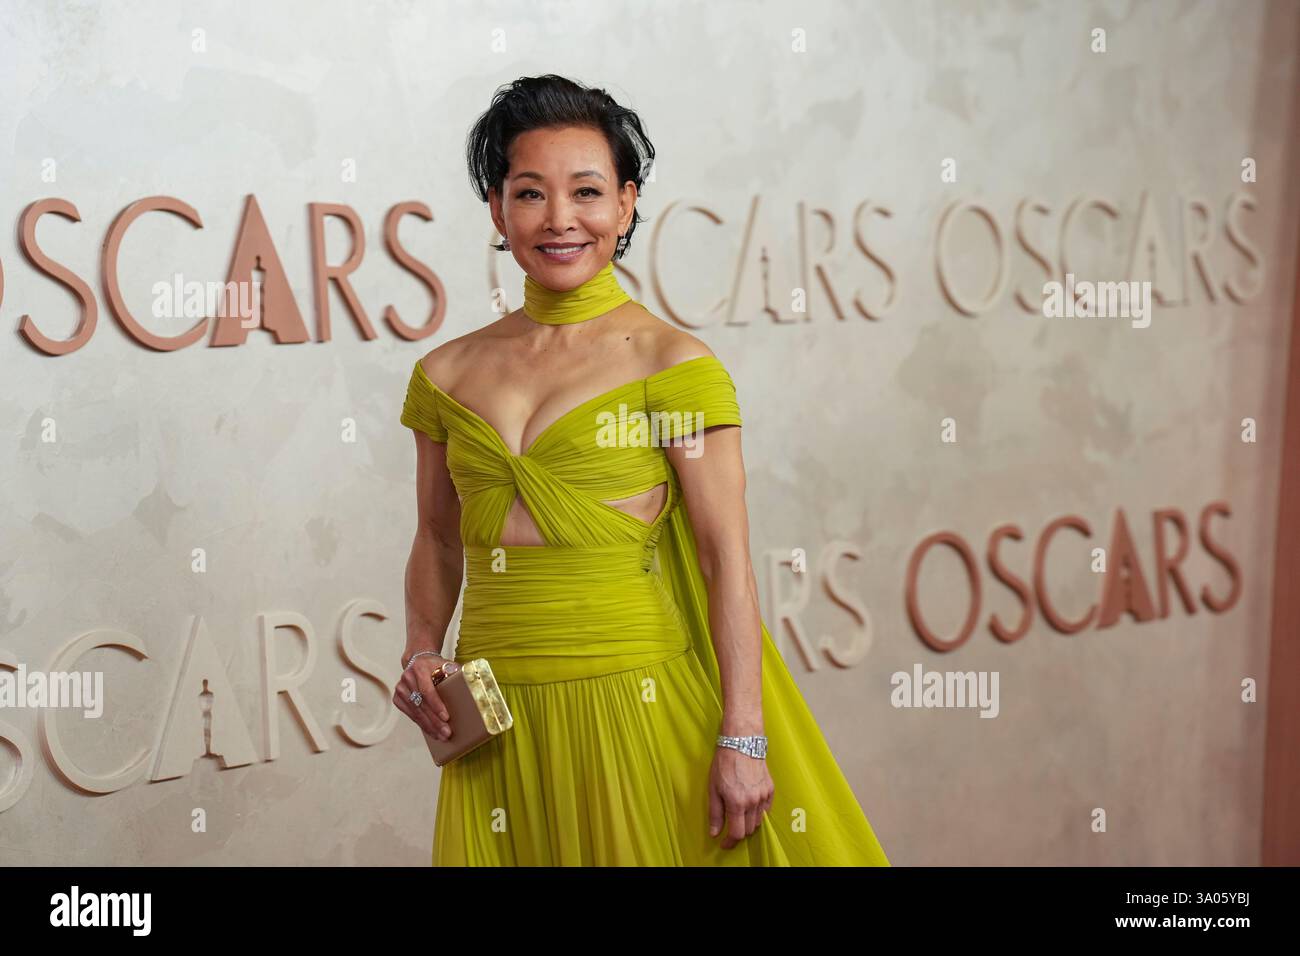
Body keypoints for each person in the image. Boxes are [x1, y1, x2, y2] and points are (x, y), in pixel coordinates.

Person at [395, 74, 889, 866]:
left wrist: (744, 737)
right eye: (530, 193)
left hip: (637, 704)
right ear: (497, 209)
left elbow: (726, 559)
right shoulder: (446, 374)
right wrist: (422, 646)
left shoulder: (675, 365)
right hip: (496, 725)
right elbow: (437, 538)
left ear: (625, 205)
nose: (560, 219)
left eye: (587, 192)